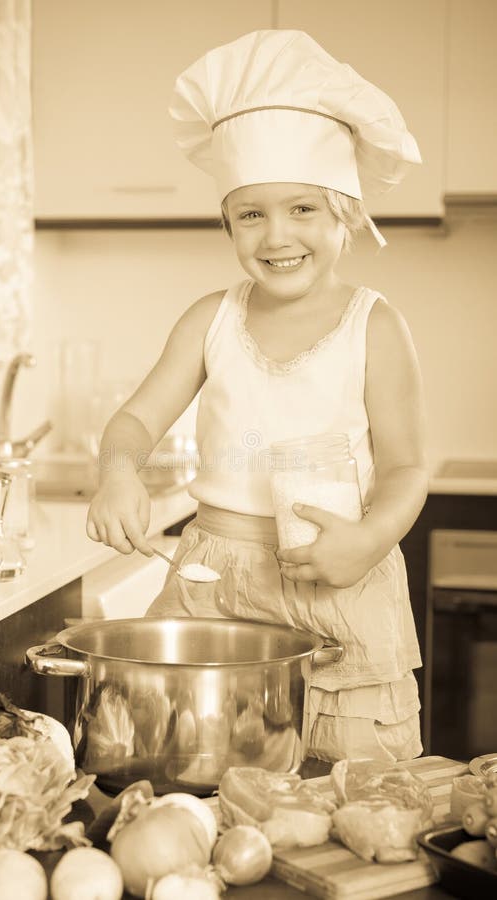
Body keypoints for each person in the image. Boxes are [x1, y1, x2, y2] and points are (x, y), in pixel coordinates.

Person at [87, 29, 428, 764]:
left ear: (346, 215)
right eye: (252, 214)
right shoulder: (210, 318)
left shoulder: (376, 325)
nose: (277, 235)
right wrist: (117, 471)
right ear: (228, 223)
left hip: (338, 577)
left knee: (351, 784)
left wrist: (370, 539)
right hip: (214, 581)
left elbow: (404, 469)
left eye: (303, 209)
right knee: (194, 772)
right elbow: (137, 418)